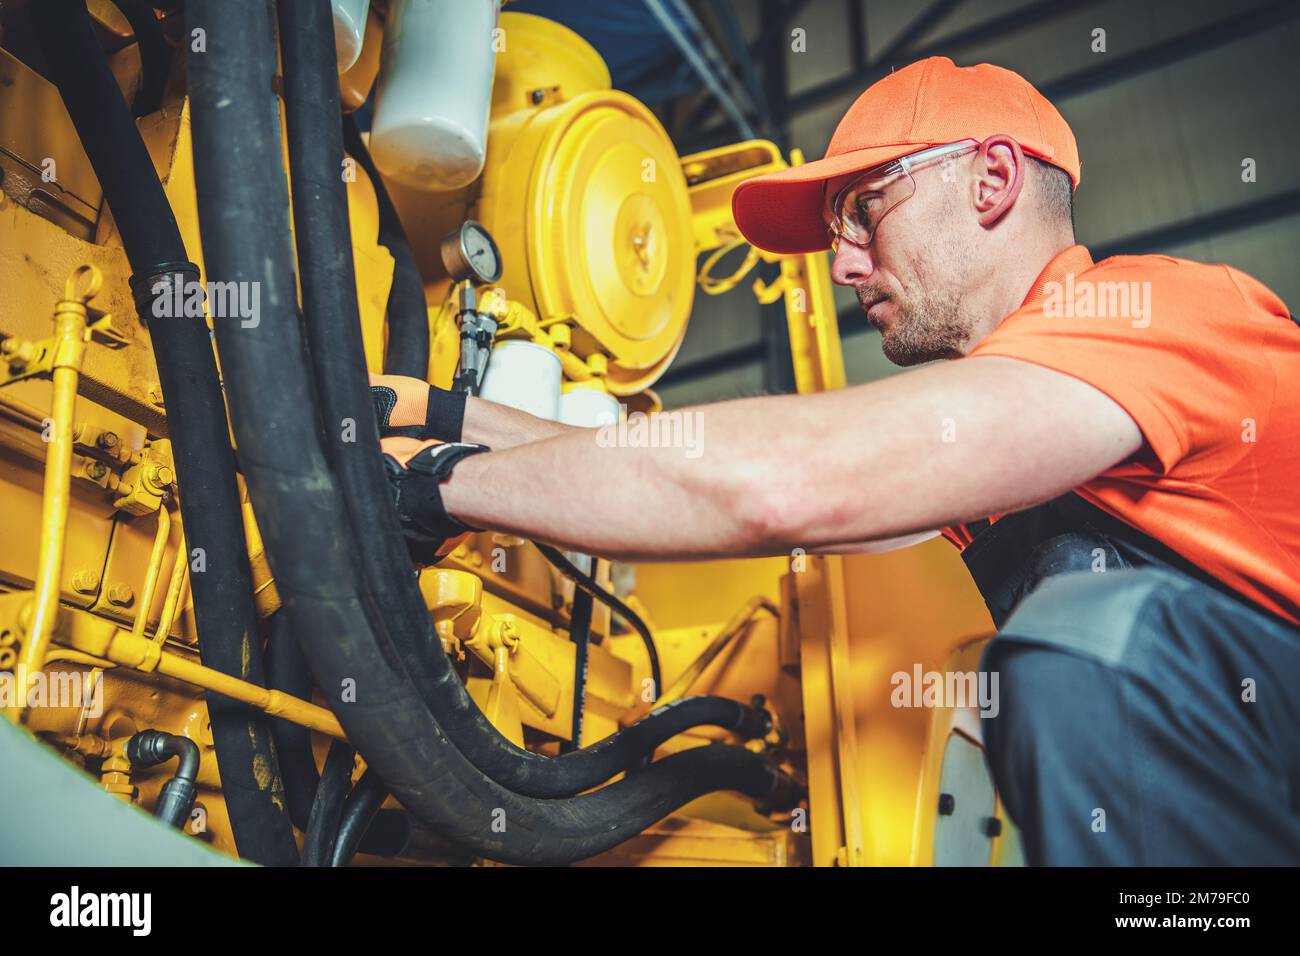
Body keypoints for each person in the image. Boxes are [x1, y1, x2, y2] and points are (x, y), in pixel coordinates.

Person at [371, 57, 1300, 865]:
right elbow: (698, 471)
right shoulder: (1008, 446)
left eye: (863, 211)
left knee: (1089, 635)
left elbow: (791, 483)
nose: (846, 264)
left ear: (991, 181)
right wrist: (449, 417)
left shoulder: (1160, 314)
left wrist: (441, 486)